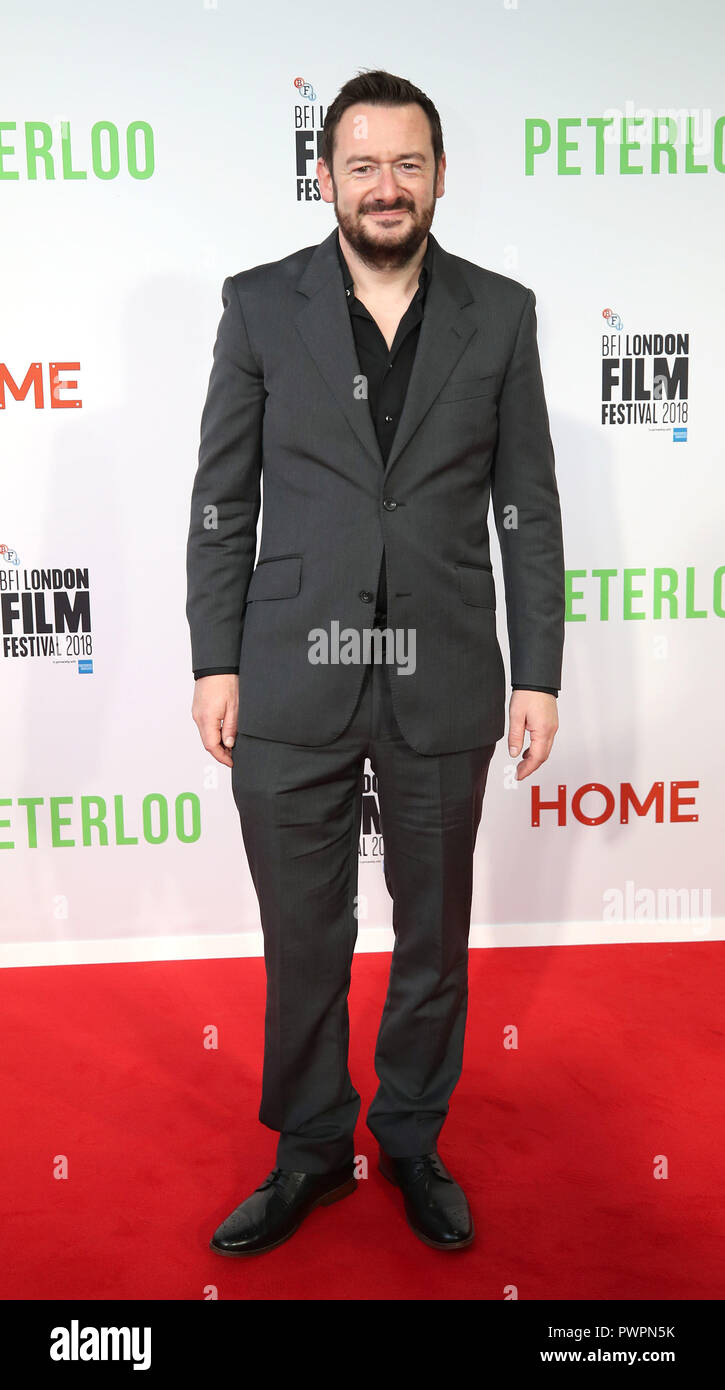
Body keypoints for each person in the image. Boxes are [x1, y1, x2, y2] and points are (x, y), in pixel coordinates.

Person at [185, 69, 565, 1256]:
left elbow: (528, 508)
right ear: (326, 178)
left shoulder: (499, 314)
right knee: (304, 932)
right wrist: (213, 658)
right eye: (362, 165)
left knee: (431, 929)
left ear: (440, 175)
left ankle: (408, 1136)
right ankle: (309, 1149)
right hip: (288, 664)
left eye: (408, 163)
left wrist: (536, 671)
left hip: (444, 669)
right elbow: (221, 495)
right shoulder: (258, 305)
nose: (386, 186)